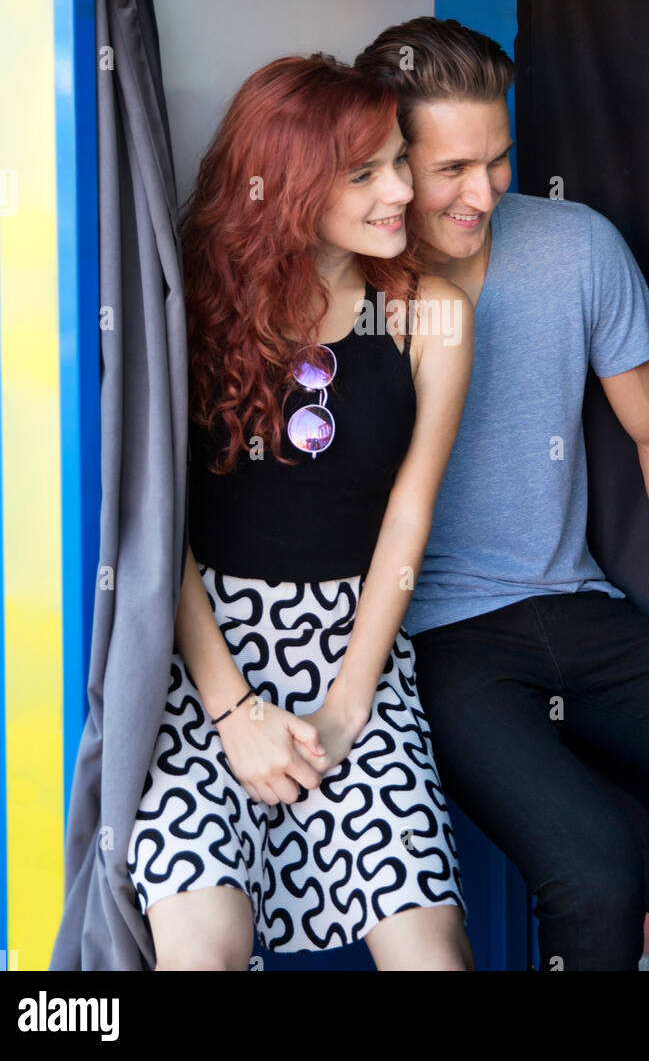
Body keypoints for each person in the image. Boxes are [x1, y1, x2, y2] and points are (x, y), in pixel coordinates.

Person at [353, 17, 649, 971]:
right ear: (388, 158)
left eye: (498, 159)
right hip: (435, 641)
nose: (481, 193)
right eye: (450, 169)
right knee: (592, 872)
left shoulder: (575, 245)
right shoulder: (347, 285)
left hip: (574, 607)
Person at [127, 54, 476, 971]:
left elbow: (410, 511)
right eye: (365, 173)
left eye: (399, 160)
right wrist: (232, 708)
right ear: (286, 186)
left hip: (356, 646)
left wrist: (352, 700)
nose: (402, 190)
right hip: (197, 654)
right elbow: (156, 523)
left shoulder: (429, 312)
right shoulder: (188, 307)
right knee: (204, 950)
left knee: (431, 953)